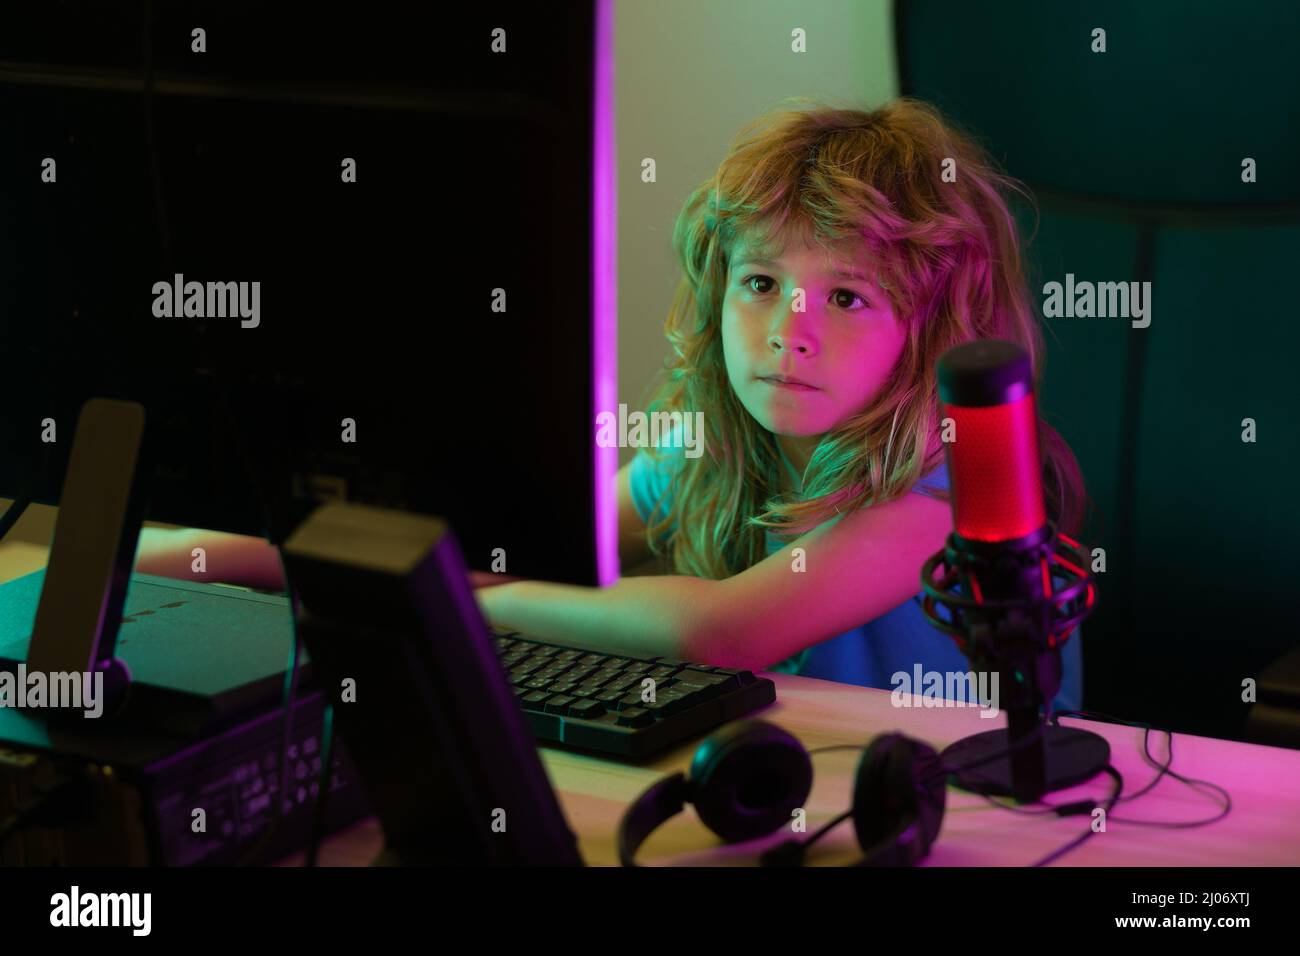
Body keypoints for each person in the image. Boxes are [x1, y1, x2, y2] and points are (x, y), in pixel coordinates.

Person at [136, 97, 1088, 711]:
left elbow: (715, 630)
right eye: (759, 281)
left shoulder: (949, 502)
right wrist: (245, 552)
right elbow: (546, 540)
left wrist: (463, 595)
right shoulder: (713, 448)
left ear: (932, 332)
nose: (787, 329)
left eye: (845, 297)